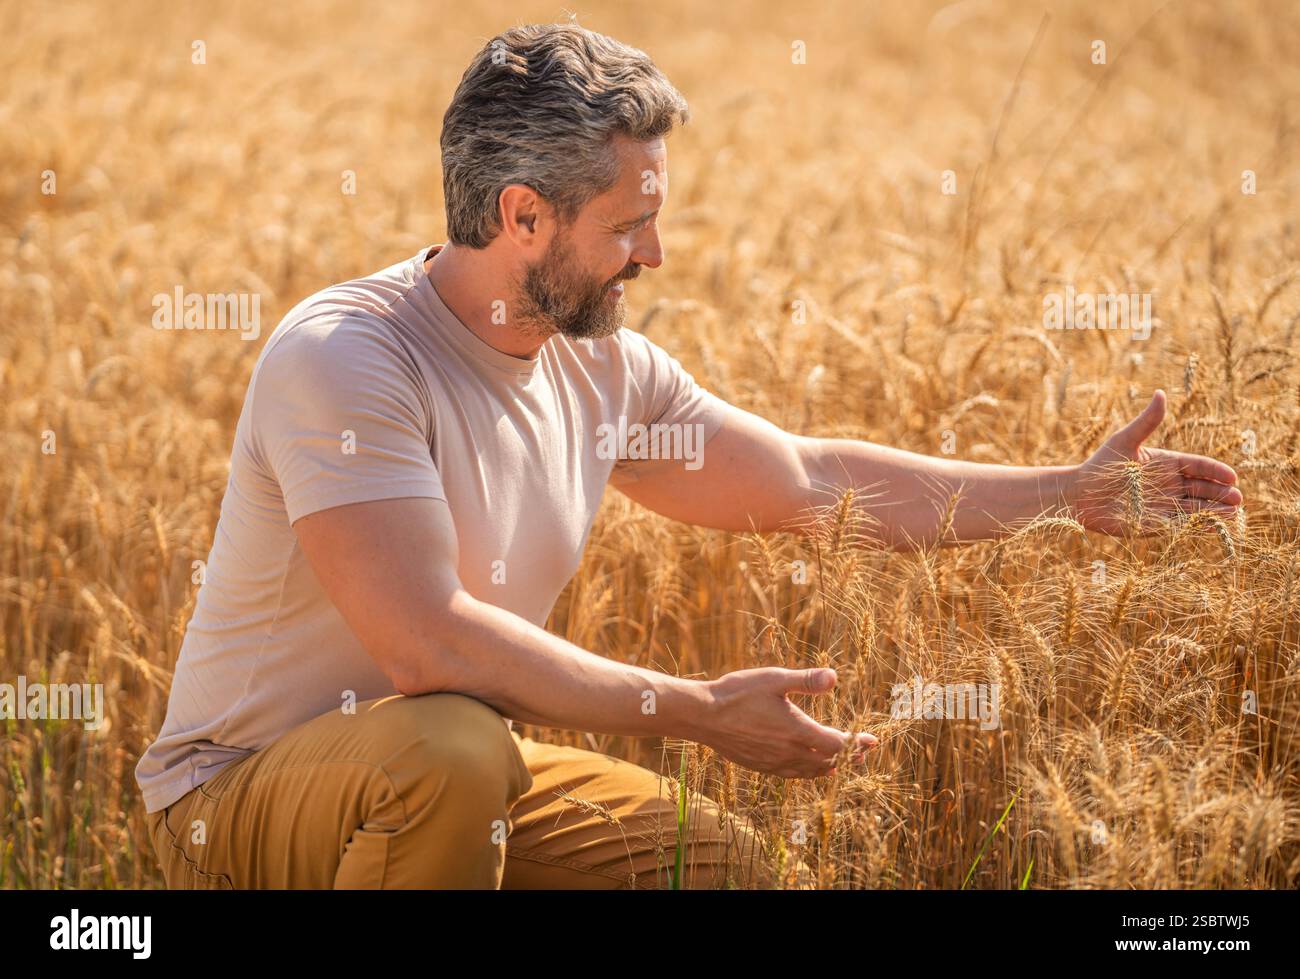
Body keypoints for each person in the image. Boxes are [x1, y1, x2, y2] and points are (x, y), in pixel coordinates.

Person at [136, 22, 1243, 890]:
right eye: (628, 224)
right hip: (236, 801)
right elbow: (427, 644)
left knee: (719, 869)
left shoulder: (600, 366)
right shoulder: (347, 358)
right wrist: (702, 709)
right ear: (524, 216)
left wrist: (1071, 494)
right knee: (455, 751)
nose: (655, 254)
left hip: (445, 777)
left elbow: (810, 480)